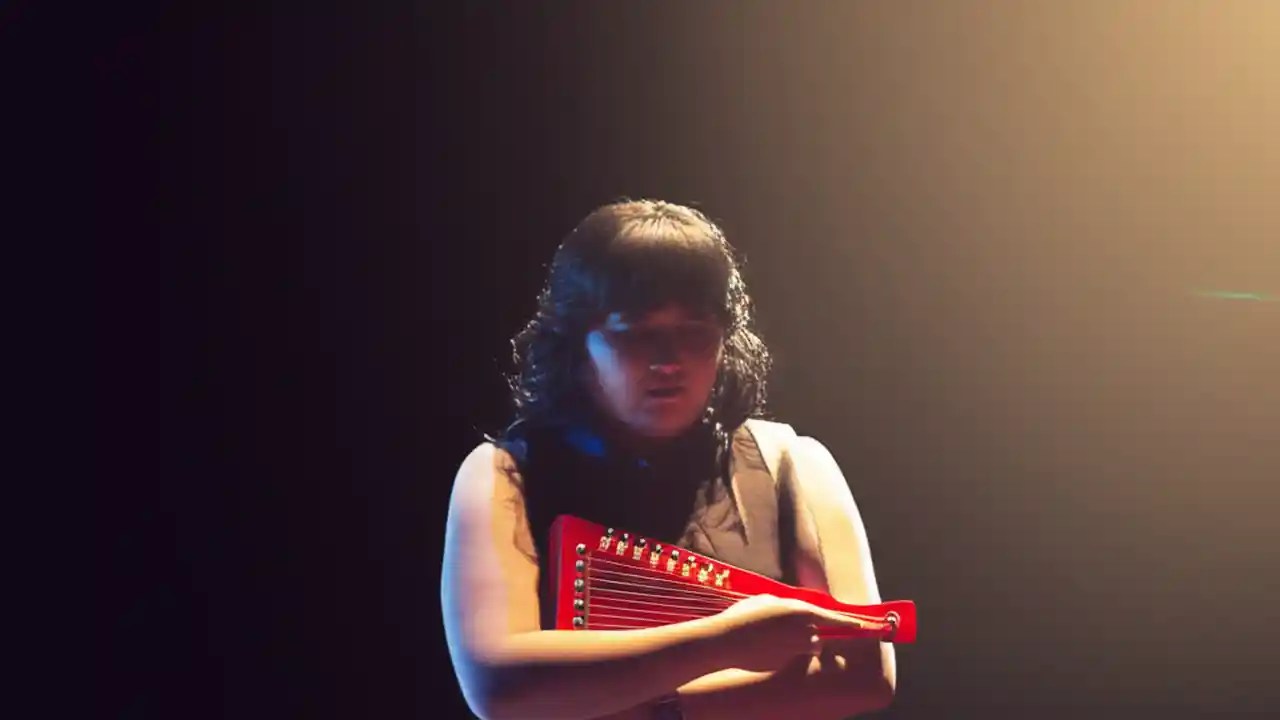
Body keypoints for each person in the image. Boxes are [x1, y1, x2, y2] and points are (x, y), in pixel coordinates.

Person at [441, 199, 897, 720]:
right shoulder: (503, 475)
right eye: (635, 333)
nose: (668, 361)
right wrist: (724, 644)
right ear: (575, 346)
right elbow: (498, 688)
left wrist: (638, 700)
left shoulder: (792, 463)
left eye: (695, 332)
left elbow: (865, 673)